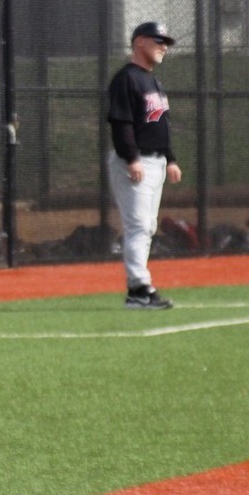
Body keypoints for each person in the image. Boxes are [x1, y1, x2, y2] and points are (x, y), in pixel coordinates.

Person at [106, 21, 184, 310]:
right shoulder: (126, 79)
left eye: (166, 41)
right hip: (135, 162)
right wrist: (132, 158)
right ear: (139, 42)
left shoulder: (152, 81)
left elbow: (160, 126)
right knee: (138, 226)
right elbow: (121, 123)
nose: (164, 45)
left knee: (147, 226)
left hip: (156, 161)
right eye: (158, 40)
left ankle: (140, 289)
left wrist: (171, 158)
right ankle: (139, 290)